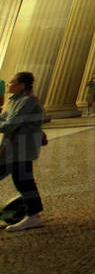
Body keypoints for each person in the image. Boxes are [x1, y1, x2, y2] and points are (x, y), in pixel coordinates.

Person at [0, 72, 45, 231]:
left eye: (12, 82)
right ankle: (32, 215)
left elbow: (10, 124)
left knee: (24, 182)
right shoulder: (16, 102)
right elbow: (5, 119)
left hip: (21, 149)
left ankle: (33, 216)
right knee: (24, 181)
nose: (9, 84)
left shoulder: (27, 102)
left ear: (22, 85)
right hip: (14, 149)